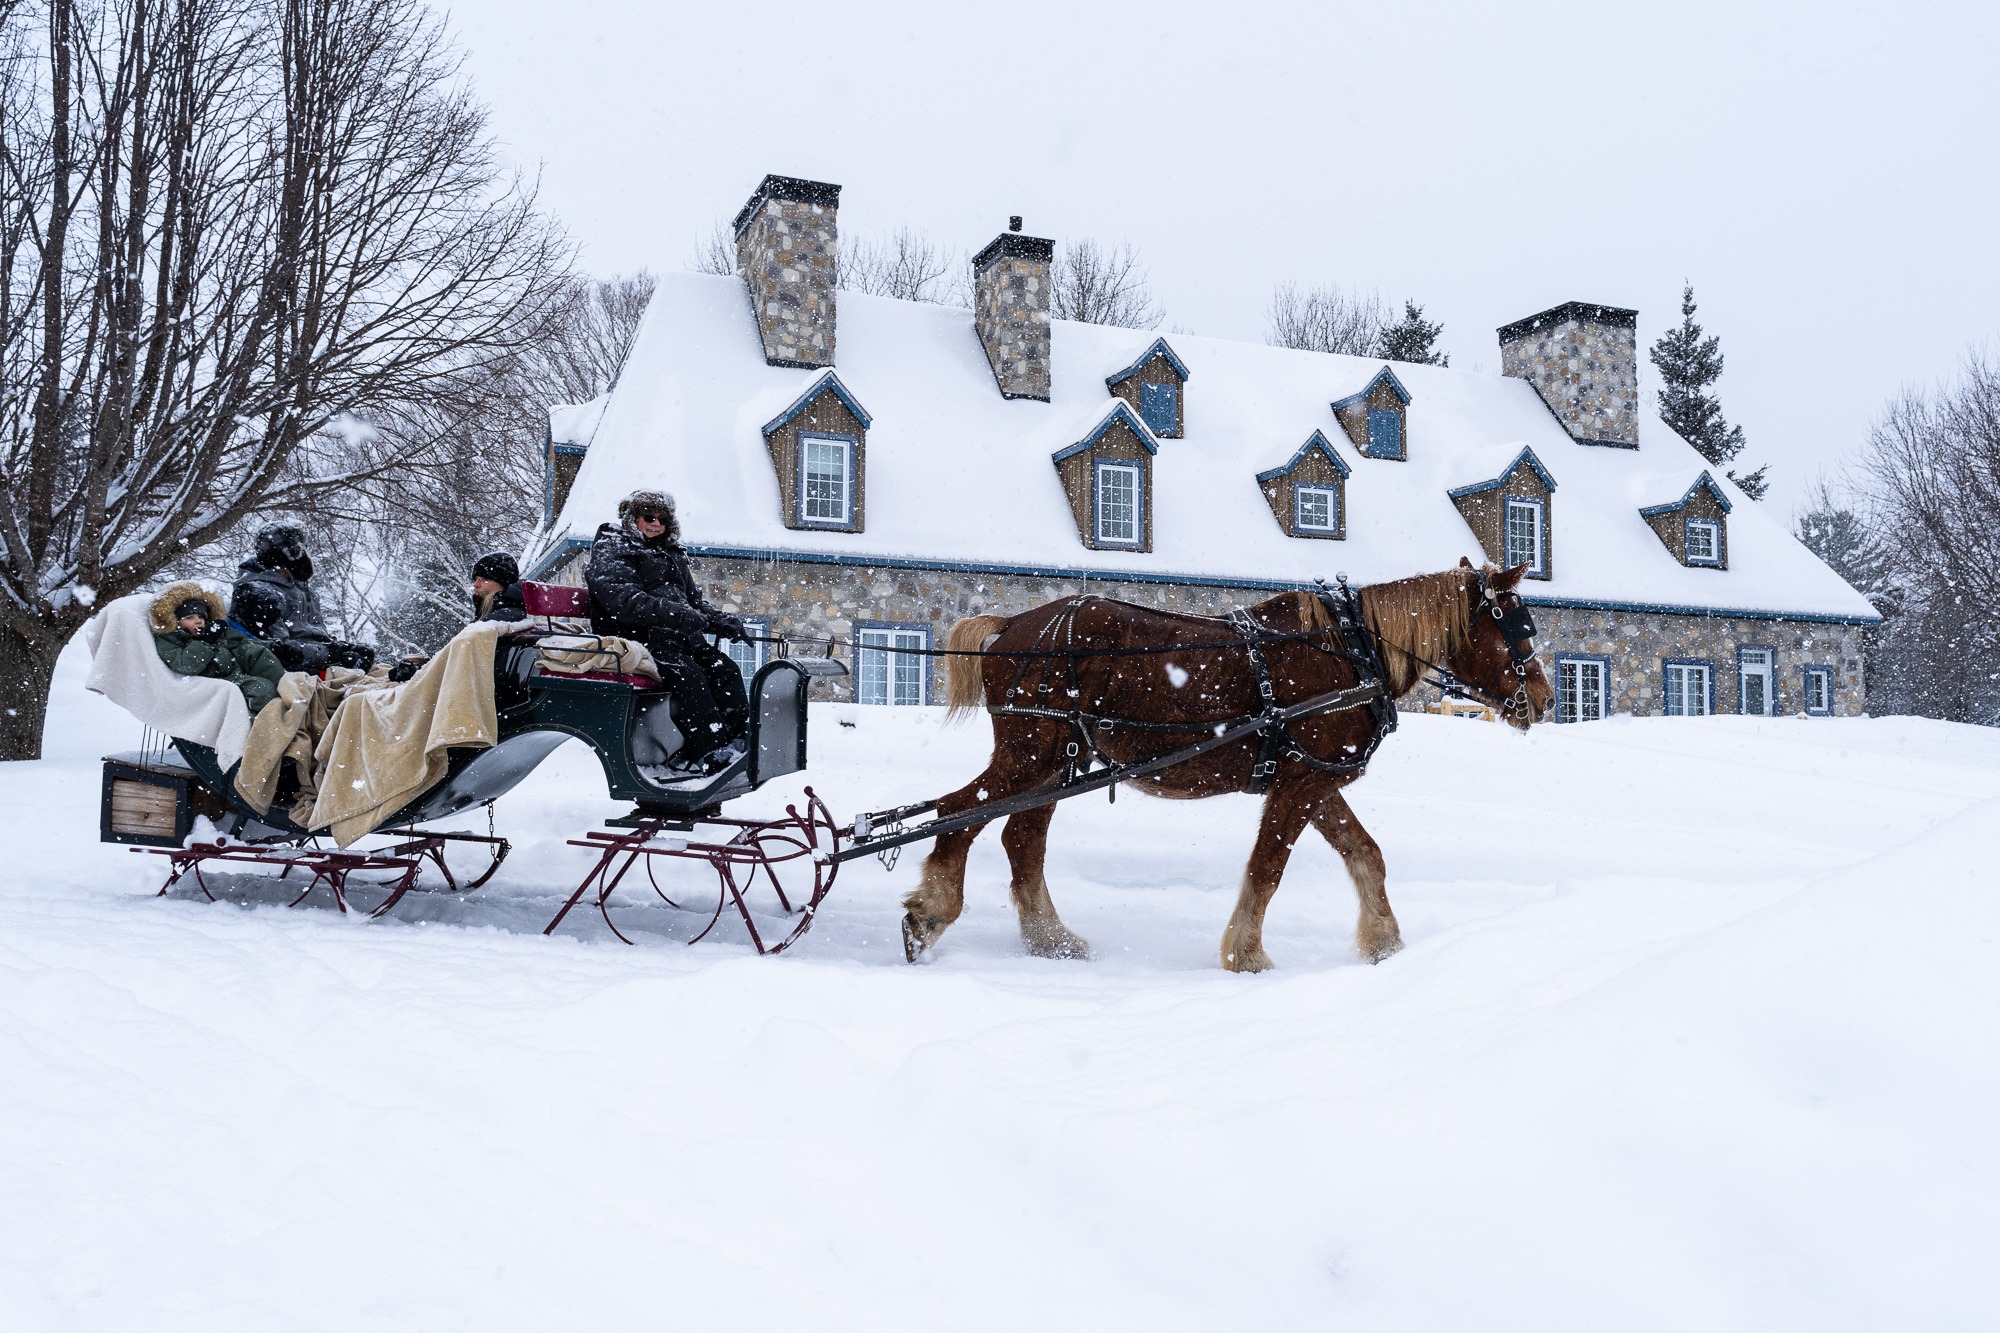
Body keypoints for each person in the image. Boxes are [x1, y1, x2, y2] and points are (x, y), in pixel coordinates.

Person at [585, 490, 750, 773]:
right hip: (638, 639)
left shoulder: (672, 554)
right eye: (649, 517)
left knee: (726, 670)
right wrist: (675, 615)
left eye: (663, 519)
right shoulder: (613, 549)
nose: (656, 524)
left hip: (678, 638)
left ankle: (736, 743)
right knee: (690, 677)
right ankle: (710, 752)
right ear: (632, 519)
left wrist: (720, 620)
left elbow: (693, 602)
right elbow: (623, 601)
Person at [230, 523, 375, 674]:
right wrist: (332, 654)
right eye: (301, 548)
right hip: (289, 672)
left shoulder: (304, 590)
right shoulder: (258, 593)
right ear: (289, 552)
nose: (305, 554)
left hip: (316, 663)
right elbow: (282, 650)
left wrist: (344, 648)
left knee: (383, 675)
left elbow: (316, 635)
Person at [149, 583, 287, 716]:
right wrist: (204, 642)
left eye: (201, 616)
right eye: (189, 617)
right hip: (209, 685)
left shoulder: (212, 631)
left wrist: (274, 647)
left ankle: (285, 692)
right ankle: (269, 723)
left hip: (234, 676)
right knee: (262, 691)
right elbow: (187, 665)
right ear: (175, 621)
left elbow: (242, 641)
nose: (198, 621)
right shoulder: (170, 640)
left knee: (255, 653)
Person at [470, 551, 527, 623]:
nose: (476, 584)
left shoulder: (504, 618)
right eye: (475, 579)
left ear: (502, 584)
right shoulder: (498, 614)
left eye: (483, 579)